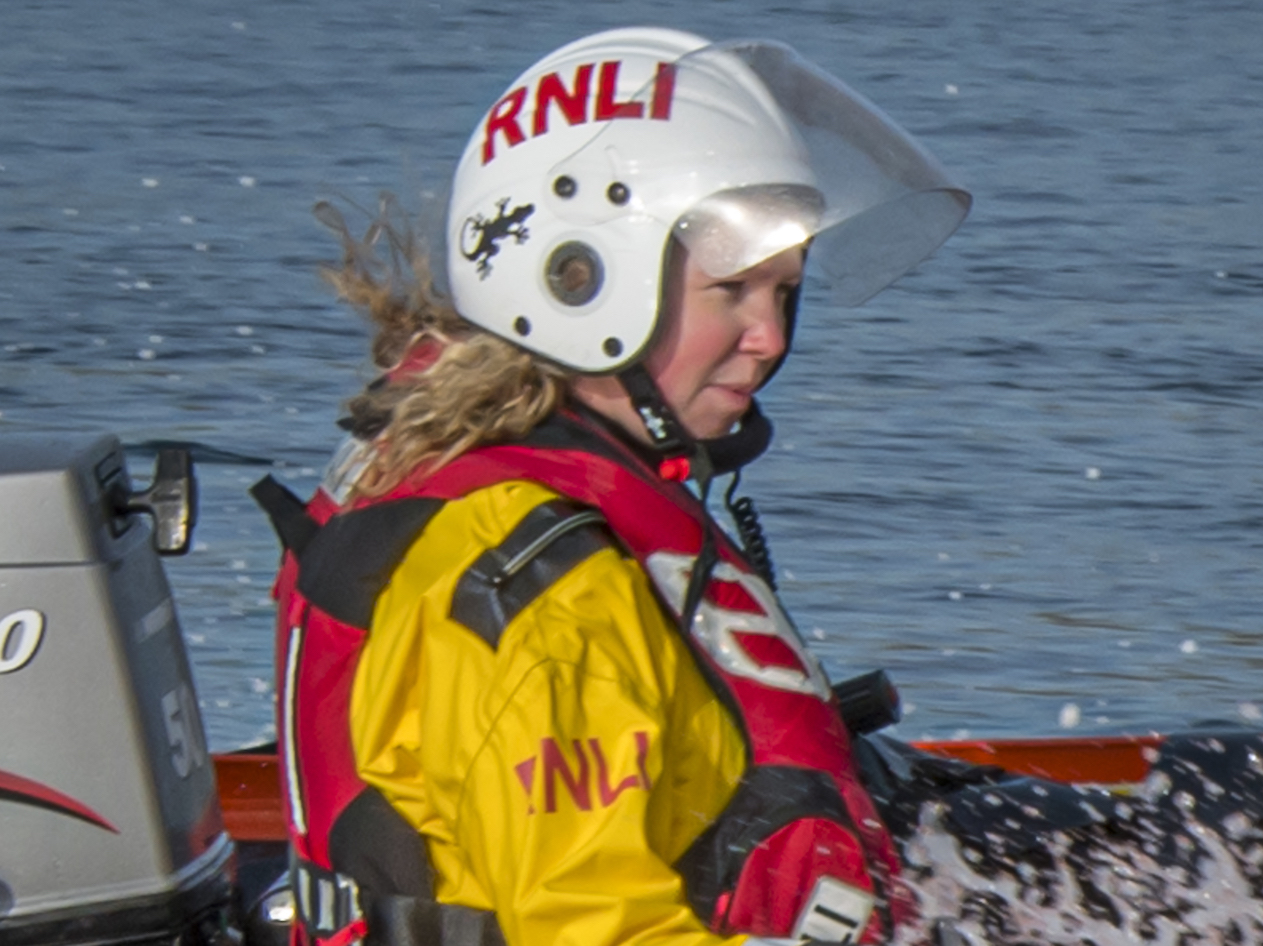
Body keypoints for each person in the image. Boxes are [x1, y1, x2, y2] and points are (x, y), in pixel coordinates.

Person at [254, 27, 970, 946]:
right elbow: (595, 926)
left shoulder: (470, 481)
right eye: (734, 290)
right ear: (579, 283)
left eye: (784, 293)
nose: (769, 339)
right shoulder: (550, 591)